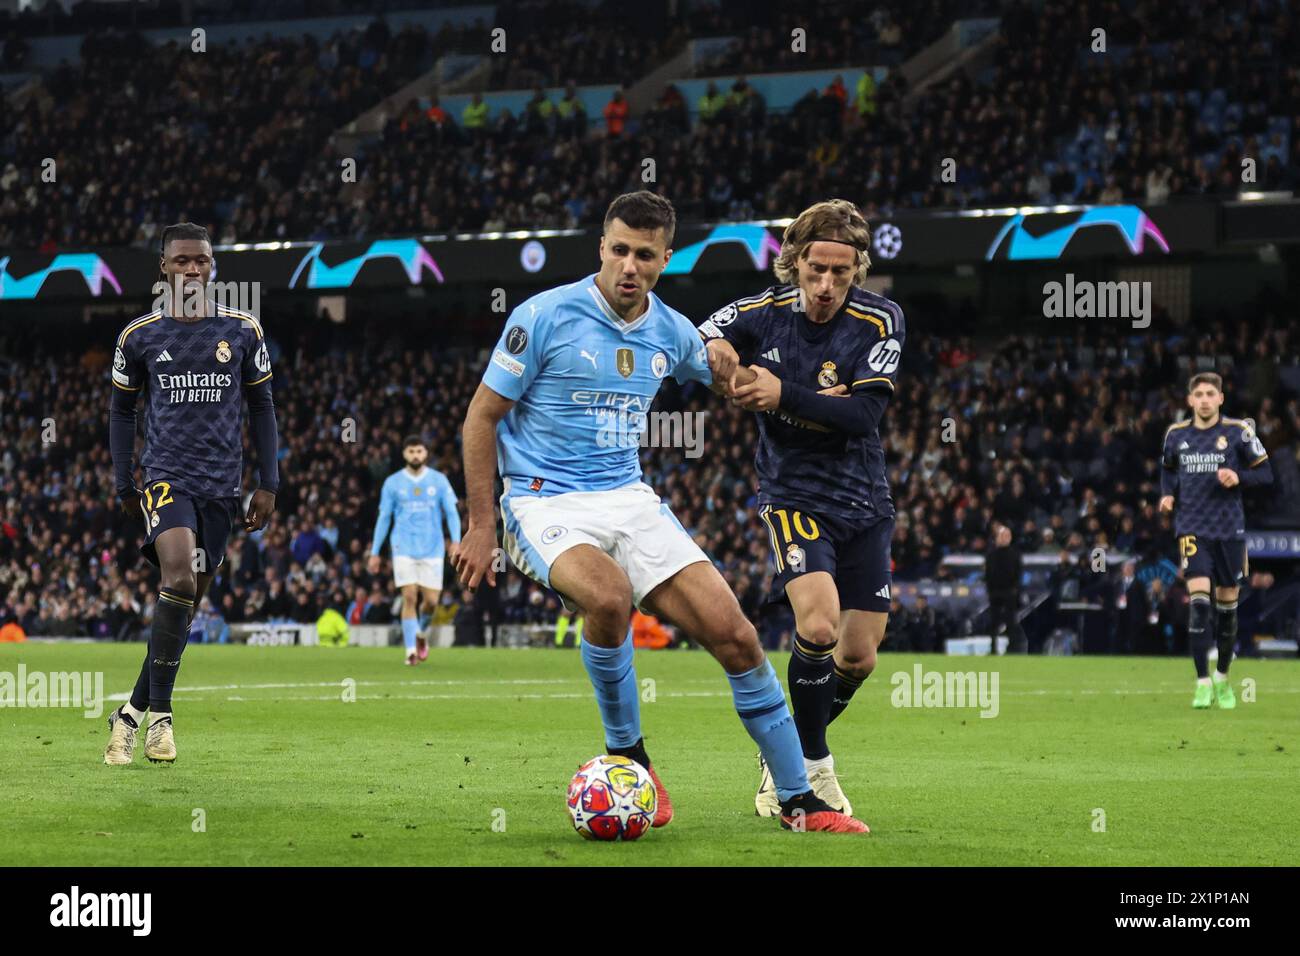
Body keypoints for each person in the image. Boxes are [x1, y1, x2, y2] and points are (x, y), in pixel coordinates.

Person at [456, 190, 866, 834]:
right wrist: (483, 526)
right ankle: (630, 757)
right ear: (601, 247)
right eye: (618, 249)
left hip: (628, 496)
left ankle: (800, 801)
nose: (628, 266)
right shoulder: (543, 317)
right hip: (542, 499)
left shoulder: (671, 329)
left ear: (664, 258)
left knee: (736, 635)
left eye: (644, 255)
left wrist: (771, 377)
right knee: (610, 598)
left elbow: (735, 380)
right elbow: (482, 417)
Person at [699, 198, 903, 820]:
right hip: (793, 495)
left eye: (842, 272)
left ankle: (781, 751)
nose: (828, 284)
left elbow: (864, 414)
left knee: (860, 654)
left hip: (865, 499)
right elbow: (703, 332)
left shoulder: (881, 319)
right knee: (817, 627)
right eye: (817, 269)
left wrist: (784, 392)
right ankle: (808, 774)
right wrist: (721, 356)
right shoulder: (765, 311)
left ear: (857, 269)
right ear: (794, 263)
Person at [104, 222, 278, 765]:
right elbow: (121, 410)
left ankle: (130, 713)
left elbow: (262, 408)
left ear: (213, 266)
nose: (192, 269)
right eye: (181, 261)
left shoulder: (243, 329)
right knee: (176, 578)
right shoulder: (140, 336)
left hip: (222, 488)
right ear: (163, 266)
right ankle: (162, 719)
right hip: (165, 478)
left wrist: (268, 483)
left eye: (200, 260)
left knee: (183, 607)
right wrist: (122, 480)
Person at [1159, 372, 1272, 708]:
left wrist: (1238, 476)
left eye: (1211, 393)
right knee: (1198, 605)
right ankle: (1202, 682)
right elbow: (1167, 469)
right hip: (1192, 528)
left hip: (1229, 531)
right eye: (1199, 394)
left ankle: (1222, 676)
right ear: (1190, 400)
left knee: (1227, 612)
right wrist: (1167, 495)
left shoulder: (1238, 432)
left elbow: (1266, 474)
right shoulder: (1176, 435)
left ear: (1221, 399)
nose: (1205, 399)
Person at [369, 436, 461, 665]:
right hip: (402, 546)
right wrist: (375, 551)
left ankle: (421, 634)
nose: (415, 455)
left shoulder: (439, 481)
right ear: (404, 454)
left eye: (419, 451)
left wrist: (456, 541)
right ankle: (410, 650)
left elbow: (451, 512)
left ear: (426, 453)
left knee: (430, 602)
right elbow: (384, 517)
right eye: (411, 451)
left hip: (433, 547)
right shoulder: (392, 483)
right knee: (409, 596)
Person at [985, 523, 1028, 653]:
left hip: (1009, 592)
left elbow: (1018, 573)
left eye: (1007, 535)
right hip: (995, 592)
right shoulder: (991, 554)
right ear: (997, 537)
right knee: (994, 622)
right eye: (1002, 535)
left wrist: (1015, 589)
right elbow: (988, 574)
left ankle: (1012, 647)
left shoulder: (1015, 554)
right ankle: (993, 648)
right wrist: (990, 590)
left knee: (1011, 621)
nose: (1005, 538)